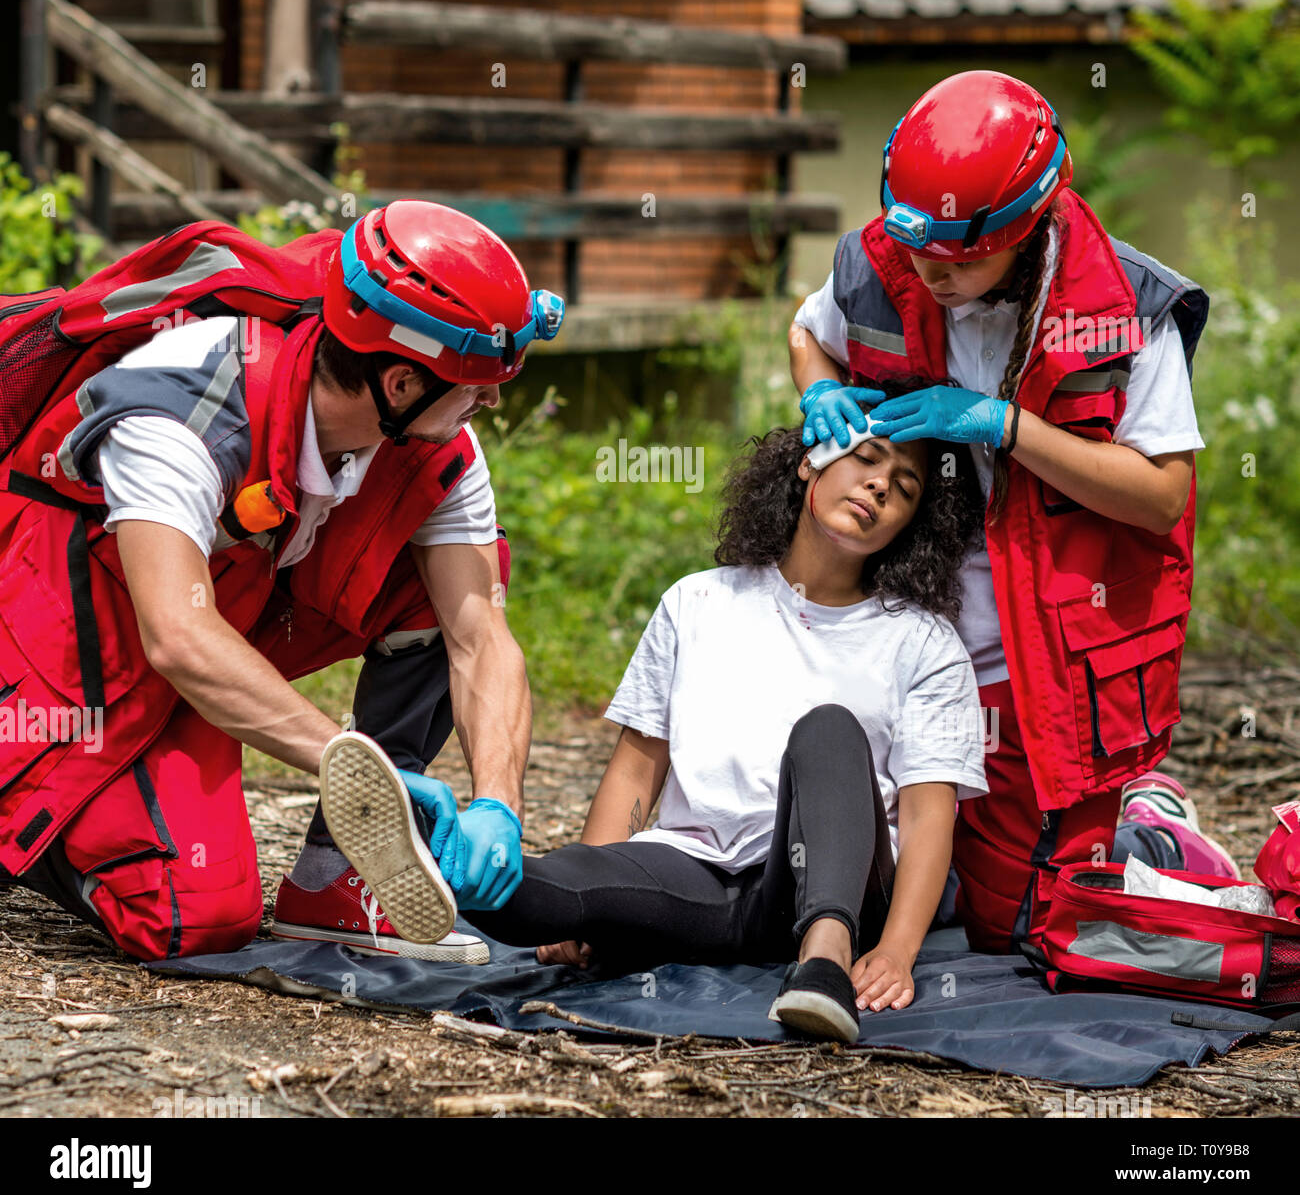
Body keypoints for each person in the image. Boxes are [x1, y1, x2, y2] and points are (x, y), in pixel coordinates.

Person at [331, 389, 993, 1041]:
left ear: (911, 522)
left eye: (905, 487)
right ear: (810, 462)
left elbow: (929, 815)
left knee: (828, 730)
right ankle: (439, 860)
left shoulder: (923, 642)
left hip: (834, 889)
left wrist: (898, 950)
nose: (880, 488)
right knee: (551, 889)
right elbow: (636, 772)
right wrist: (585, 901)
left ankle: (822, 970)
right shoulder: (698, 603)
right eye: (868, 460)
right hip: (696, 876)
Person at [0, 201, 562, 964]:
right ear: (400, 384)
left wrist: (500, 799)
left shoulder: (431, 439)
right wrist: (350, 761)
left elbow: (479, 634)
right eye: (478, 384)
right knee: (189, 916)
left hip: (220, 608)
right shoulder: (181, 410)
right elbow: (178, 635)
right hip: (74, 626)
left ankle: (339, 876)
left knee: (442, 584)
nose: (492, 401)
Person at [787, 69, 1236, 957]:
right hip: (907, 625)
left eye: (961, 261)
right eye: (920, 255)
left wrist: (1006, 426)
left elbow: (1162, 497)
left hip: (1049, 664)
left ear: (1026, 232)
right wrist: (818, 397)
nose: (932, 276)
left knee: (1018, 926)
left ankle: (1149, 827)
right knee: (856, 871)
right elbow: (811, 332)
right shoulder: (886, 259)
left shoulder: (1124, 309)